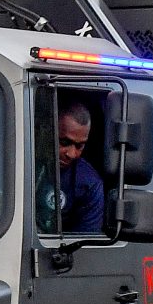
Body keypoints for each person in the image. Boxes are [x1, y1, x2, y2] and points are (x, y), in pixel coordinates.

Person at [56, 100, 106, 234]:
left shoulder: (89, 184)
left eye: (79, 146)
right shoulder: (18, 161)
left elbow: (85, 239)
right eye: (64, 142)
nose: (72, 154)